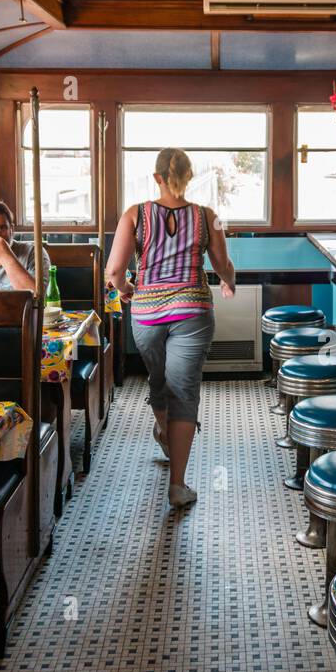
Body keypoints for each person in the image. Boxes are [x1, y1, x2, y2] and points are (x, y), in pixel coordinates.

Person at [106, 147, 235, 509]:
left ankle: (164, 432)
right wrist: (228, 282)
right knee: (183, 391)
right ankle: (177, 485)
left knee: (158, 378)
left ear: (157, 177)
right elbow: (223, 263)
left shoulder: (135, 214)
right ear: (189, 177)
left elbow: (114, 272)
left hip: (146, 312)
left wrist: (129, 290)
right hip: (192, 310)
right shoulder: (209, 216)